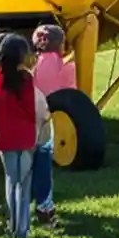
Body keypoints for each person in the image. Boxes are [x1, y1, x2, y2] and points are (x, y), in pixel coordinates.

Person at [0, 33, 47, 238]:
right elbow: (32, 110)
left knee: (11, 182)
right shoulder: (27, 81)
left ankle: (13, 226)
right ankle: (23, 228)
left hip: (6, 139)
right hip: (26, 137)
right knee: (24, 183)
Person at [31, 24, 73, 225]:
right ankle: (45, 204)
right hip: (51, 118)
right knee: (44, 163)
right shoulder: (67, 68)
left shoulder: (31, 66)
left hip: (30, 117)